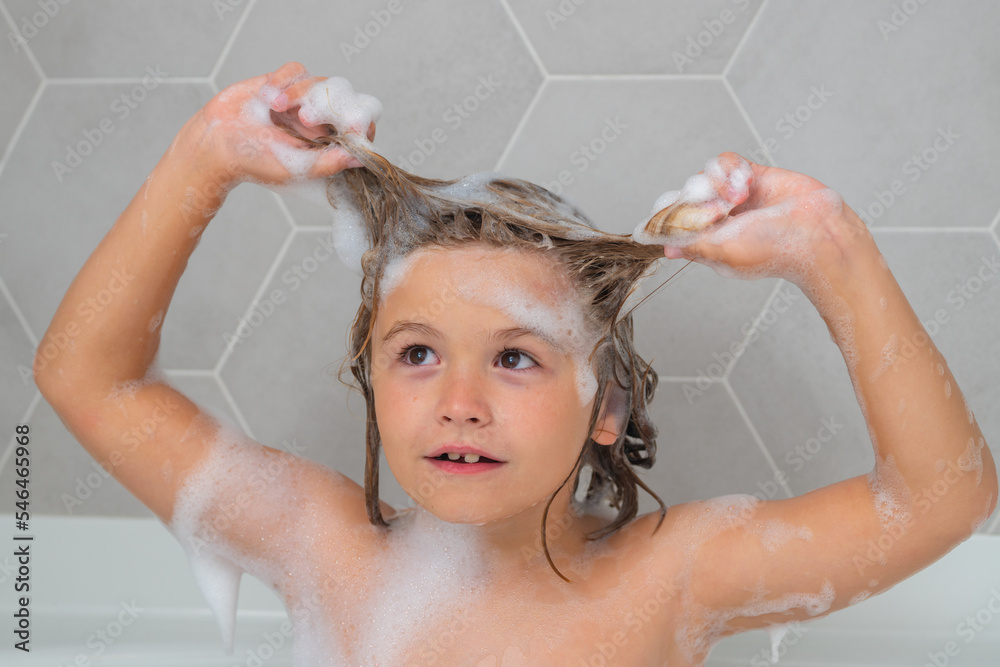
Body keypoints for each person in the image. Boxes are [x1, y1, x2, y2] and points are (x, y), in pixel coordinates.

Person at [34, 62, 996, 666]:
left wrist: (834, 253)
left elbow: (941, 498)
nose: (459, 402)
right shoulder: (320, 548)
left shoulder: (675, 579)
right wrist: (201, 160)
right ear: (372, 382)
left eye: (517, 358)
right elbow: (86, 376)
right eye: (416, 354)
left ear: (605, 404)